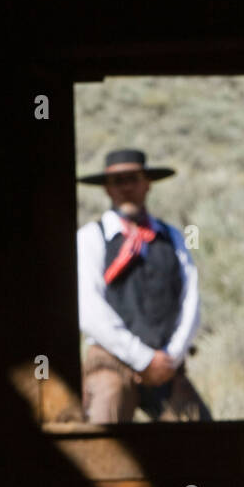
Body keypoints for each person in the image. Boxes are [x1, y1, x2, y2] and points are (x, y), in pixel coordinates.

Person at [76, 148, 211, 422]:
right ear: (107, 189)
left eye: (133, 179)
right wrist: (142, 359)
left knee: (202, 434)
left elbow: (191, 300)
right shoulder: (91, 237)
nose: (126, 188)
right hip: (111, 362)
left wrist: (169, 358)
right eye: (118, 181)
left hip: (167, 366)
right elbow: (89, 309)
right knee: (101, 440)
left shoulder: (171, 236)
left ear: (147, 183)